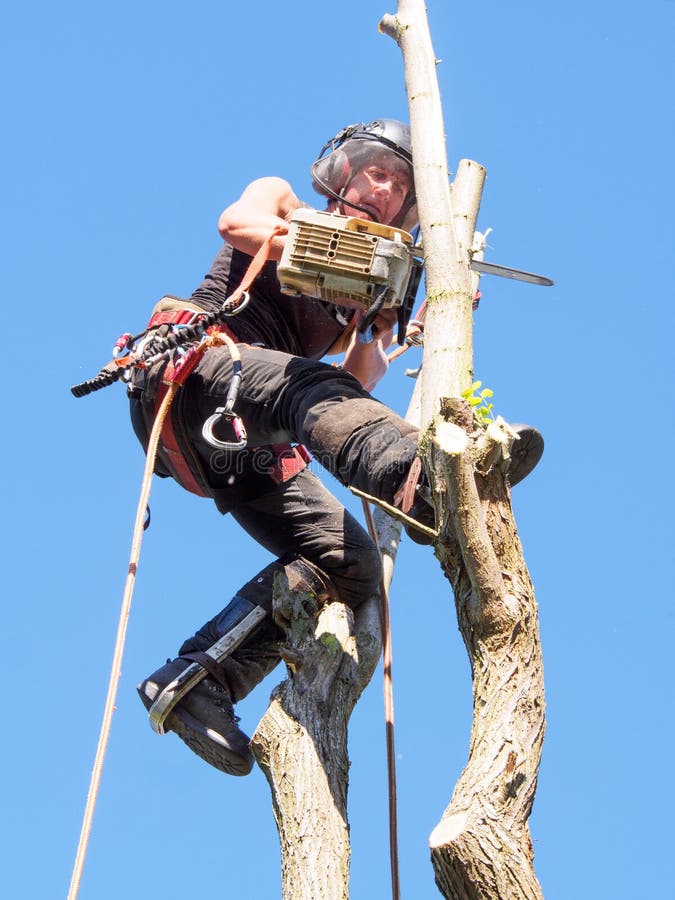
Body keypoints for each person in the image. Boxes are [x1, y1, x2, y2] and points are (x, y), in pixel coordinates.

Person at [130, 119, 543, 777]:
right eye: (379, 172)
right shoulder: (284, 200)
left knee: (350, 564)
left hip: (249, 427)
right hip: (195, 371)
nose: (386, 189)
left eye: (402, 188)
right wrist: (341, 258)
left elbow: (345, 393)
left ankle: (200, 680)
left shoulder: (361, 302)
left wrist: (416, 312)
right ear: (343, 173)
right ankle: (413, 472)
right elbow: (236, 223)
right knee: (309, 387)